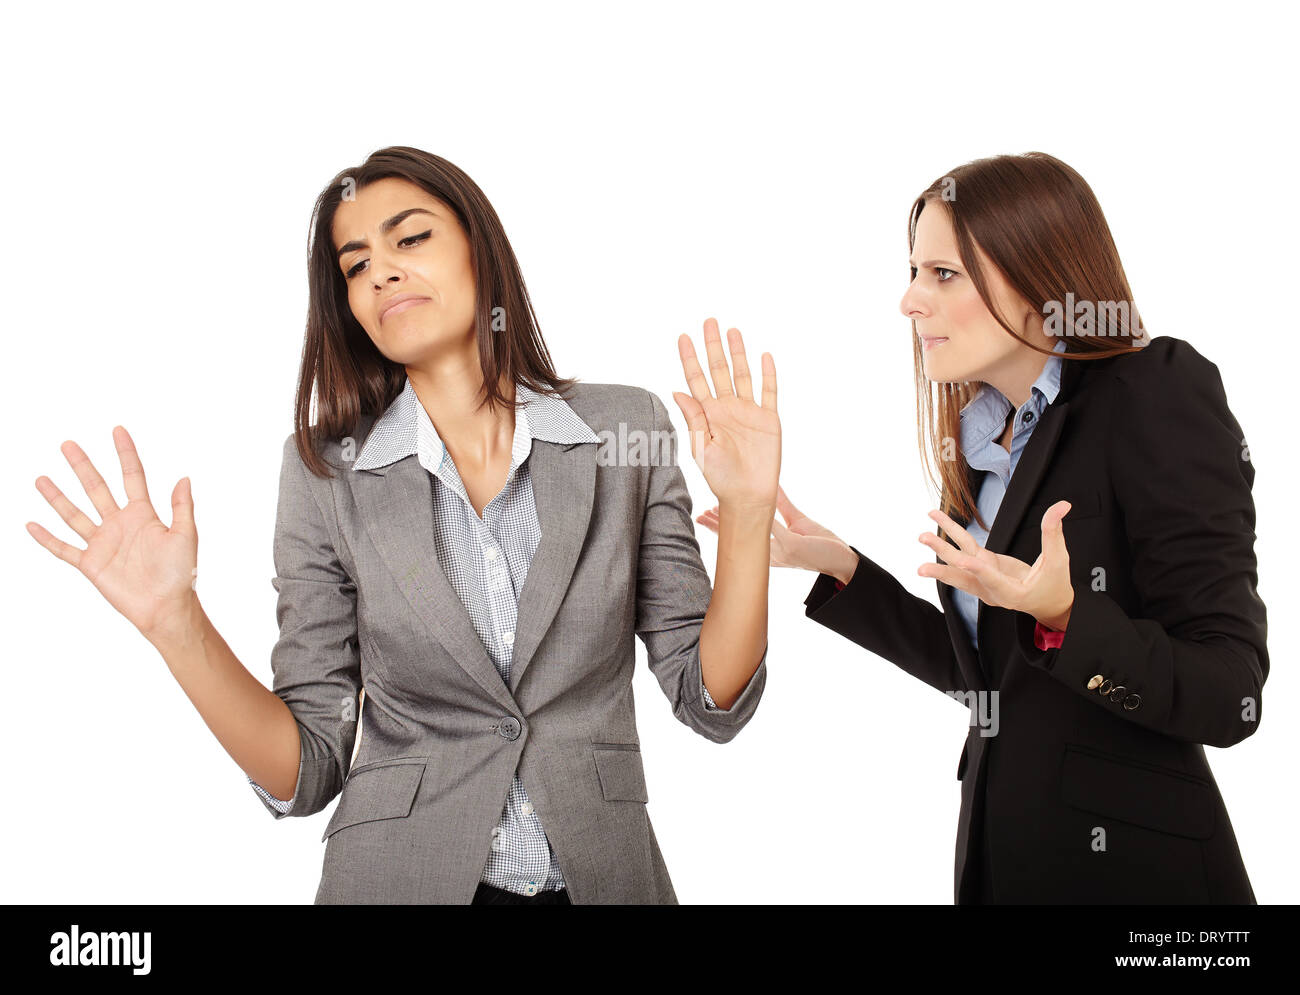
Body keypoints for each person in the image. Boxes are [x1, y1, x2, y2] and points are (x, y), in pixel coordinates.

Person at [25, 146, 779, 904]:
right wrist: (175, 624)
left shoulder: (625, 430)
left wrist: (746, 514)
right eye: (355, 265)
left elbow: (710, 695)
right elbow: (310, 761)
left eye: (409, 238)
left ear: (481, 252)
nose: (380, 271)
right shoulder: (325, 473)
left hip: (604, 881)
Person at [700, 152, 1267, 904]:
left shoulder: (1153, 390)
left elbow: (1231, 692)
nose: (908, 301)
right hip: (1002, 865)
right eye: (912, 272)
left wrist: (1065, 616)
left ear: (1038, 274)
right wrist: (842, 568)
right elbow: (997, 682)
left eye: (942, 274)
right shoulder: (984, 447)